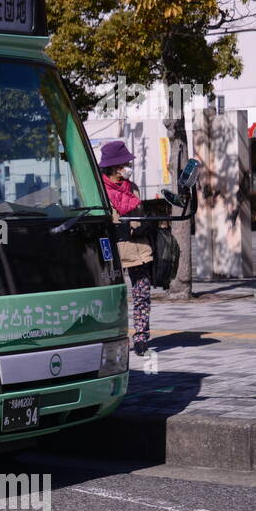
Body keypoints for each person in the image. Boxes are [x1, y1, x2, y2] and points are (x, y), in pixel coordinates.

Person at [99, 140, 154, 355]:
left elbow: (140, 215)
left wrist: (142, 226)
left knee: (142, 294)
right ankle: (111, 337)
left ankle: (141, 336)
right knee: (112, 298)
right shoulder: (101, 190)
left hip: (139, 249)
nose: (128, 167)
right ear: (113, 167)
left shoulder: (133, 188)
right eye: (124, 164)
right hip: (113, 251)